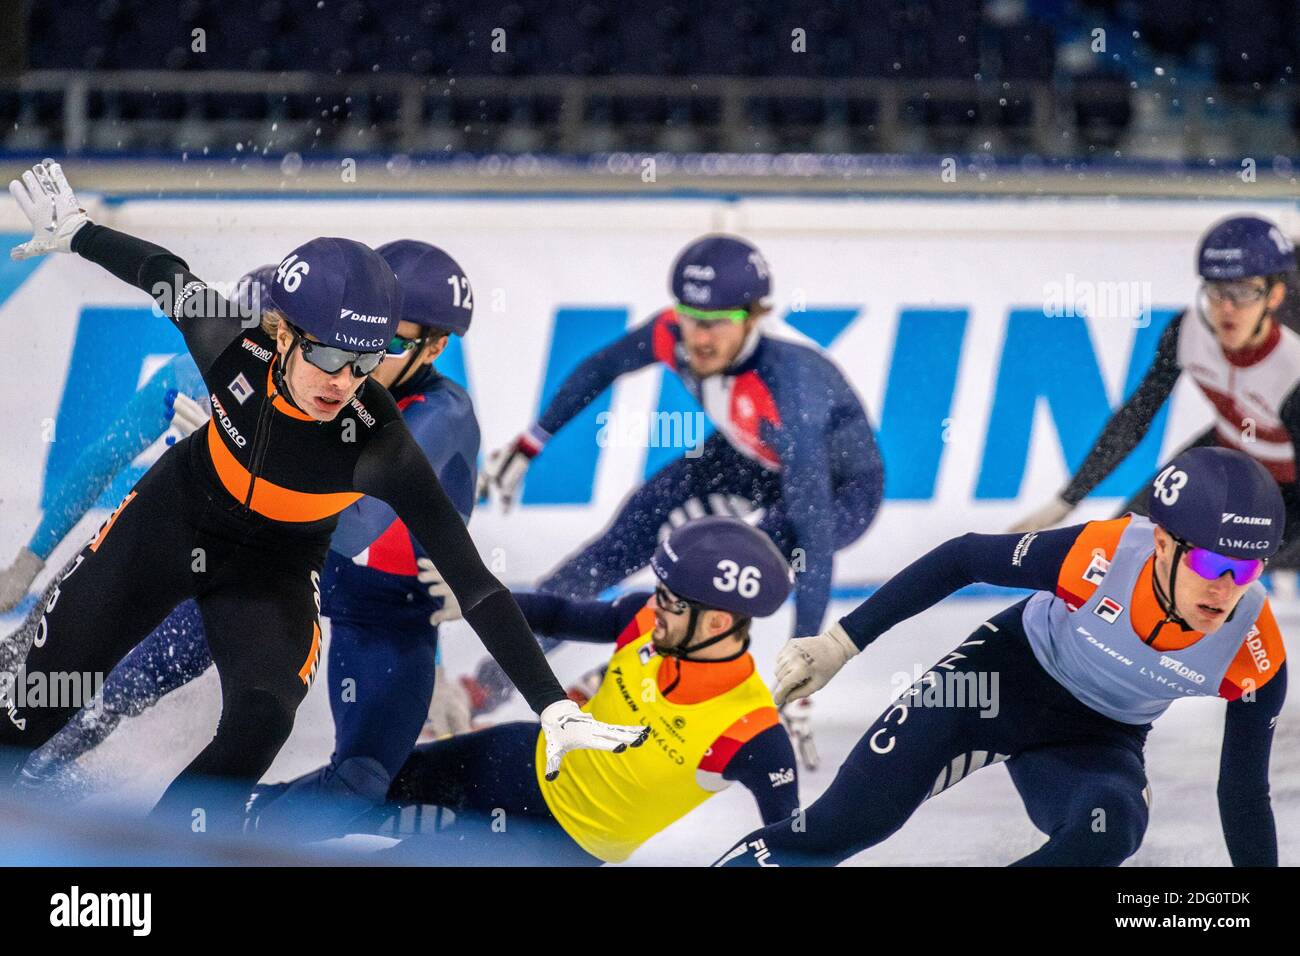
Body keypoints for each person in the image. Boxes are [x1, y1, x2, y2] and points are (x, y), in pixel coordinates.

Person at [0, 161, 646, 829]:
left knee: (262, 719)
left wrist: (551, 704)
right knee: (39, 702)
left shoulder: (382, 442)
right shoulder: (227, 344)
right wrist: (78, 232)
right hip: (171, 525)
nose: (346, 381)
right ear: (280, 334)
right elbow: (163, 272)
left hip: (273, 569)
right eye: (332, 357)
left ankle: (160, 856)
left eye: (367, 361)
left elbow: (476, 582)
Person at [18, 244, 482, 819]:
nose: (361, 361)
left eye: (385, 347)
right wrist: (31, 558)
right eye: (347, 344)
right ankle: (46, 756)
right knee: (132, 669)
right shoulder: (258, 358)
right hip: (281, 556)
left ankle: (245, 824)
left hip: (377, 603)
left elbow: (356, 530)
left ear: (433, 349)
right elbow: (108, 460)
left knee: (360, 784)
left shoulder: (437, 412)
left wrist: (261, 461)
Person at [717, 446, 1286, 867]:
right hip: (997, 680)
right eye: (1213, 565)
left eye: (1249, 568)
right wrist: (842, 642)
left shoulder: (1254, 652)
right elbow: (963, 558)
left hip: (1097, 740)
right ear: (1163, 543)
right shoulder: (1101, 554)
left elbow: (1241, 791)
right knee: (840, 825)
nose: (1226, 589)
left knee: (1109, 828)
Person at [468, 234, 884, 729]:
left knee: (725, 570)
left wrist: (809, 649)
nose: (698, 338)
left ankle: (613, 684)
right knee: (625, 539)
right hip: (749, 454)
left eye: (716, 324)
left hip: (837, 487)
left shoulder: (792, 384)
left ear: (752, 316)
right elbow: (603, 367)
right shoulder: (676, 333)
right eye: (689, 317)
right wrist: (531, 442)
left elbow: (813, 536)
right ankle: (486, 683)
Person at [259, 517, 801, 863]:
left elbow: (797, 844)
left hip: (557, 847)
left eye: (673, 603)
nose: (655, 607)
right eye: (659, 592)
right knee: (361, 783)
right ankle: (236, 819)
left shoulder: (752, 731)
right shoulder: (646, 620)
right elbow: (559, 613)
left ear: (718, 624)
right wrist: (473, 595)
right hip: (520, 758)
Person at [1014, 215, 1300, 564]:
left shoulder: (1292, 371)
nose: (1227, 307)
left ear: (1274, 296)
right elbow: (1135, 417)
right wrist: (1068, 499)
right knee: (1117, 548)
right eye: (1216, 290)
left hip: (1284, 486)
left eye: (1243, 291)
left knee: (1204, 568)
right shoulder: (1187, 331)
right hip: (1226, 449)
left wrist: (1264, 555)